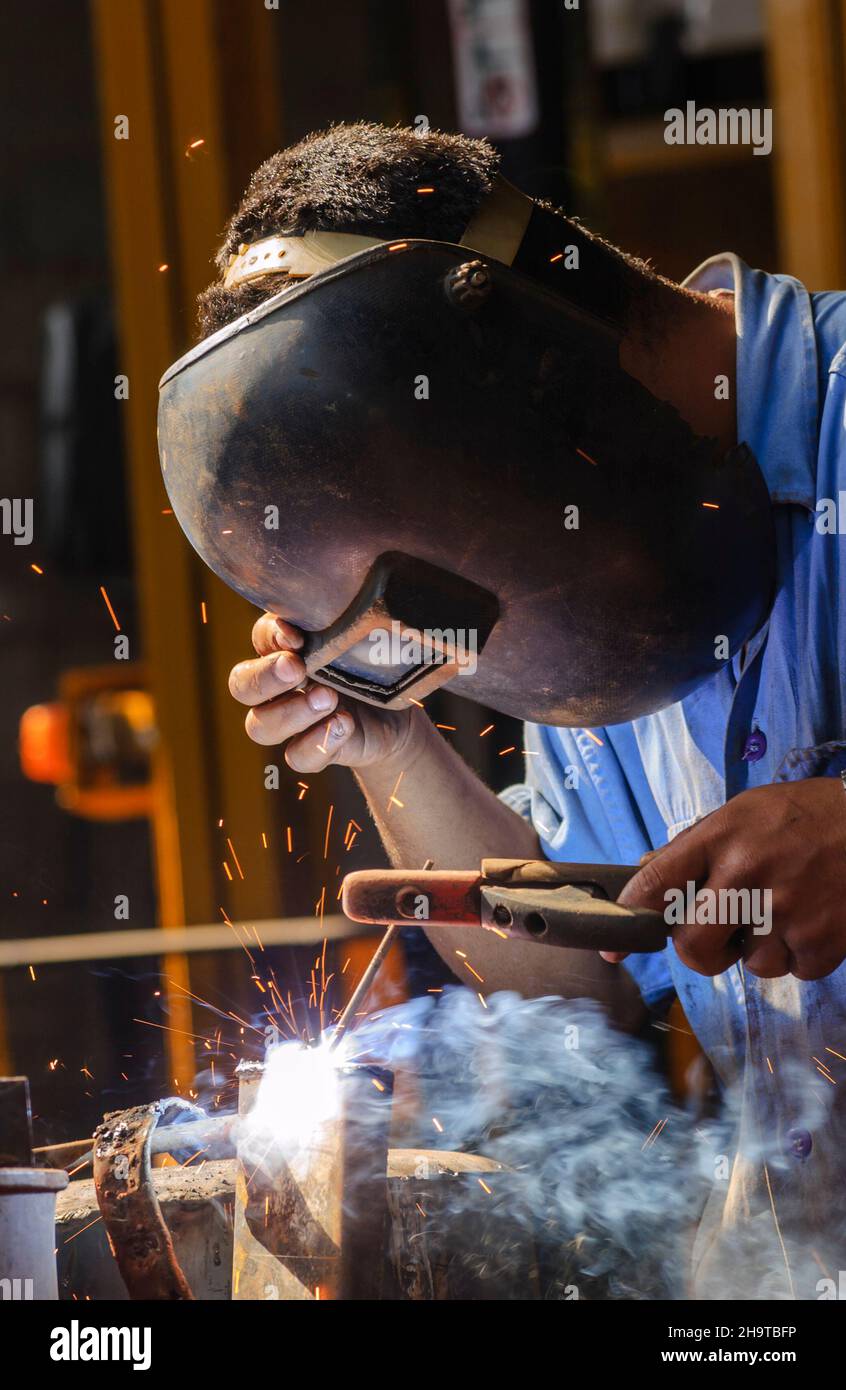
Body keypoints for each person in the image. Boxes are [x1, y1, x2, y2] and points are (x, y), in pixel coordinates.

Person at [184, 123, 846, 1296]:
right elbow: (589, 993)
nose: (462, 627)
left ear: (524, 365)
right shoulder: (604, 568)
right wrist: (395, 748)